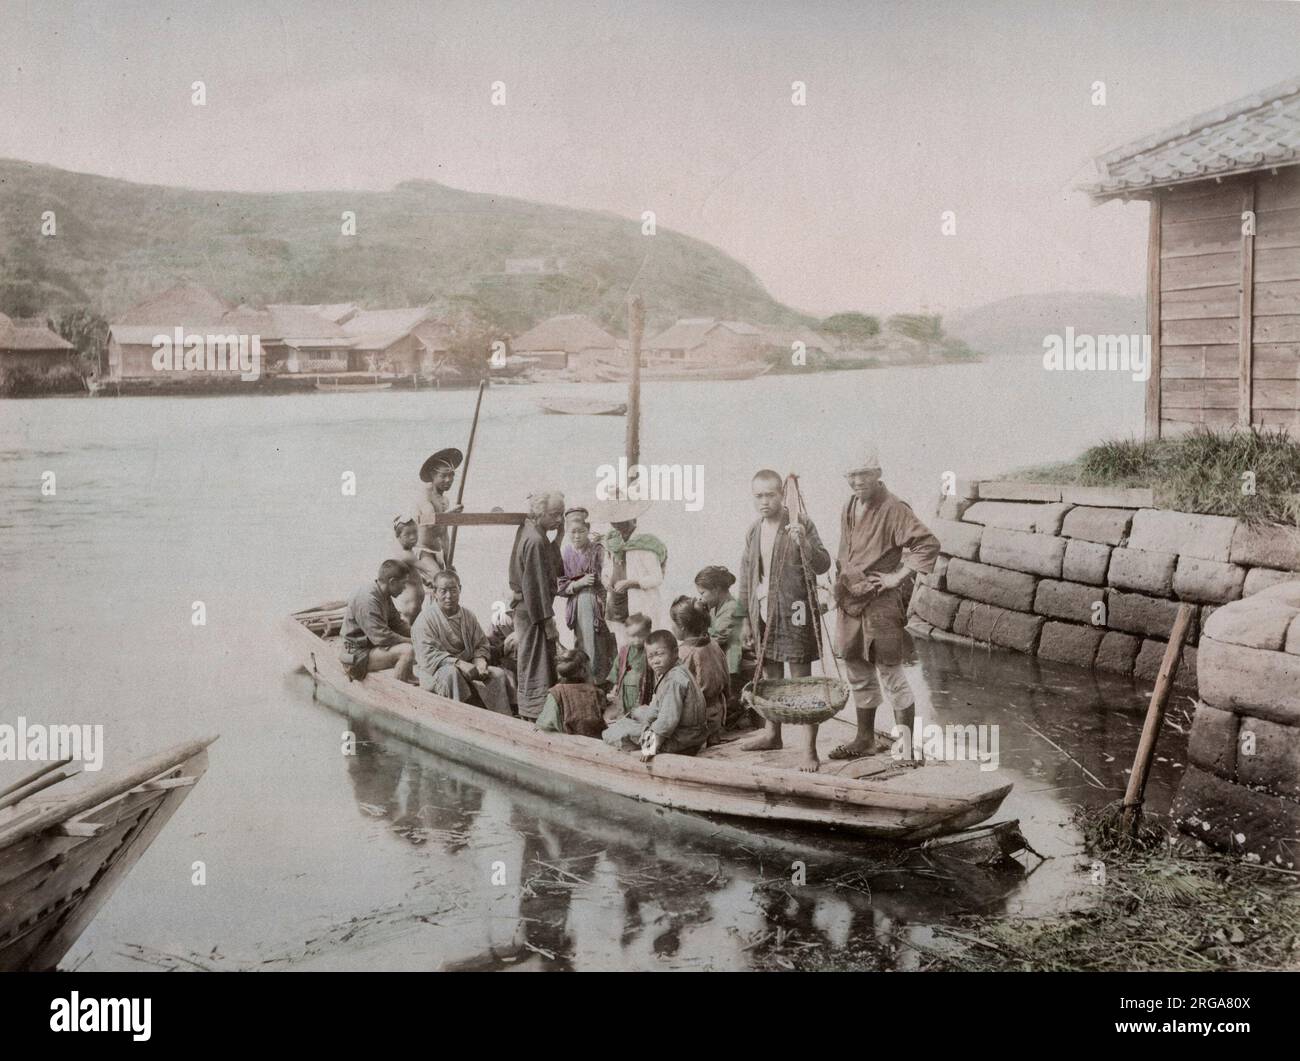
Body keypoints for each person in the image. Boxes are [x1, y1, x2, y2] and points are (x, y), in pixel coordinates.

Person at [828, 445, 940, 762]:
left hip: (881, 603)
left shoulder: (894, 507)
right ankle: (864, 738)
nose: (857, 480)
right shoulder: (849, 505)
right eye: (851, 474)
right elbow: (844, 554)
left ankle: (905, 745)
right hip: (850, 599)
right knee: (857, 670)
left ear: (878, 474)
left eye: (863, 473)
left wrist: (898, 576)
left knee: (891, 673)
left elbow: (927, 543)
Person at [738, 469, 832, 772]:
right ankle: (772, 733)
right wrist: (745, 621)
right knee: (770, 676)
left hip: (796, 611)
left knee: (802, 680)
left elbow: (822, 563)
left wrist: (803, 541)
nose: (764, 501)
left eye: (770, 495)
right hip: (763, 610)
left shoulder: (799, 523)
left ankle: (809, 750)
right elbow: (747, 578)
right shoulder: (754, 530)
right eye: (758, 496)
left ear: (782, 495)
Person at [412, 570, 514, 714]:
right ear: (434, 592)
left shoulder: (468, 616)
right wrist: (458, 663)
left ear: (460, 589)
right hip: (437, 672)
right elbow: (427, 656)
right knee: (451, 674)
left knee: (497, 675)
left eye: (453, 590)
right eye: (443, 591)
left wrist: (480, 661)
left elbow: (481, 643)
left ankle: (501, 719)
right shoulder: (425, 620)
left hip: (468, 666)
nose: (449, 596)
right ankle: (457, 717)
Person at [602, 630, 707, 757]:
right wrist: (646, 722)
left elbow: (667, 722)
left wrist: (648, 749)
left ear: (675, 652)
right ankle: (641, 734)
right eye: (651, 656)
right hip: (689, 733)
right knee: (638, 712)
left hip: (683, 740)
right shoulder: (673, 669)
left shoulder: (674, 680)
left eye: (660, 654)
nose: (655, 661)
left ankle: (647, 748)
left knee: (614, 733)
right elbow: (657, 706)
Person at [509, 489, 565, 721]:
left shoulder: (530, 529)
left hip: (528, 609)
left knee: (534, 659)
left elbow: (544, 570)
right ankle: (533, 714)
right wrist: (547, 621)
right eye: (554, 515)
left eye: (561, 514)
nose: (559, 520)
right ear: (540, 513)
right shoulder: (534, 540)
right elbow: (536, 586)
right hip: (532, 612)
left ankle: (533, 711)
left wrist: (558, 540)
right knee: (535, 661)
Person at [591, 498, 668, 643]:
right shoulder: (612, 542)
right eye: (614, 522)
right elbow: (607, 568)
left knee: (643, 643)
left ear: (633, 520)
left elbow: (657, 577)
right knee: (622, 645)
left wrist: (632, 583)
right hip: (617, 603)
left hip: (640, 603)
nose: (618, 527)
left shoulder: (645, 544)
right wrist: (606, 580)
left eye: (622, 522)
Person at [557, 508, 615, 687]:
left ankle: (599, 682)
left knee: (599, 645)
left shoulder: (597, 549)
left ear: (588, 530)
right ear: (567, 532)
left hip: (597, 602)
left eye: (581, 531)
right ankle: (584, 680)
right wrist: (578, 583)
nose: (577, 536)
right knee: (581, 643)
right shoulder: (566, 553)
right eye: (572, 532)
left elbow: (607, 575)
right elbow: (559, 584)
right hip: (576, 605)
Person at [339, 559, 415, 682]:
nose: (405, 587)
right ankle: (400, 691)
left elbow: (397, 624)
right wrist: (413, 642)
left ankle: (406, 677)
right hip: (356, 655)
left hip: (369, 648)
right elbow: (382, 638)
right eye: (403, 583)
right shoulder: (368, 600)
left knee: (419, 648)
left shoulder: (383, 594)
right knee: (407, 651)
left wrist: (420, 635)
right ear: (392, 582)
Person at [694, 565, 749, 727]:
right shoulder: (716, 607)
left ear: (716, 589)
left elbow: (718, 637)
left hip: (732, 661)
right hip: (722, 655)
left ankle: (734, 713)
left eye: (703, 593)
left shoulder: (732, 607)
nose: (701, 599)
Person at [671, 596, 730, 746]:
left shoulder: (683, 653)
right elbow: (726, 680)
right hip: (717, 714)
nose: (671, 627)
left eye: (673, 624)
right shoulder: (714, 645)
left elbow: (675, 691)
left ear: (682, 627)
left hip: (698, 717)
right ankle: (713, 734)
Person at [414, 447, 463, 586]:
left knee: (451, 579)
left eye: (451, 475)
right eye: (443, 476)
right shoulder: (425, 495)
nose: (448, 480)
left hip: (437, 553)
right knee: (442, 583)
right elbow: (430, 522)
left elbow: (444, 535)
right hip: (422, 552)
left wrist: (448, 563)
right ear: (432, 475)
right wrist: (451, 515)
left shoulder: (445, 501)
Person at [536, 648, 607, 738]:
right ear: (584, 670)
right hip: (594, 740)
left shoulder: (556, 693)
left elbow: (545, 725)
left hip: (568, 741)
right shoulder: (597, 692)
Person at [606, 613, 654, 719]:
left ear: (649, 632)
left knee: (640, 713)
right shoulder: (624, 651)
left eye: (641, 635)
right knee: (624, 711)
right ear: (627, 634)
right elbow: (617, 668)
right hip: (625, 689)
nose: (636, 639)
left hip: (642, 687)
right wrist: (615, 687)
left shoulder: (650, 651)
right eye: (632, 636)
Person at [389, 513, 425, 627]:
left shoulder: (409, 553)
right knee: (409, 630)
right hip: (409, 605)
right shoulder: (406, 555)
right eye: (407, 534)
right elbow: (427, 569)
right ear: (398, 537)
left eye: (415, 532)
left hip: (413, 604)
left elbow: (411, 575)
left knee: (414, 630)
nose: (413, 537)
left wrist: (424, 580)